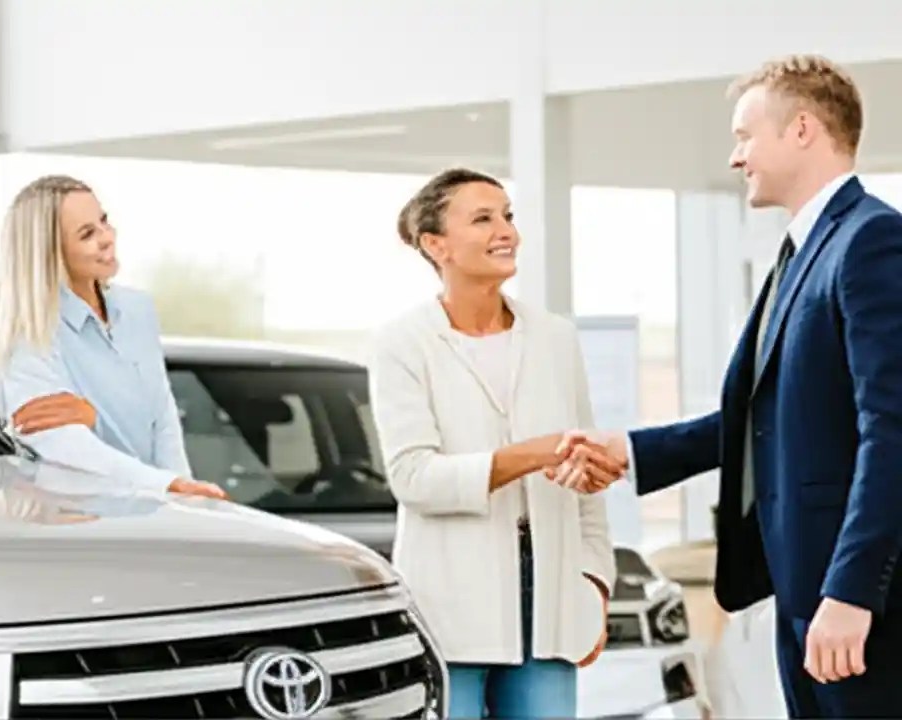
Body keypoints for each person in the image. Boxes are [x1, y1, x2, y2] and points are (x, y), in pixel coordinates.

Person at [555, 54, 902, 718]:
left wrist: (853, 592)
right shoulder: (805, 251)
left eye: (746, 135)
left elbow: (892, 431)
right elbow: (767, 415)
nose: (737, 156)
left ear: (802, 129)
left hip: (854, 605)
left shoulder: (871, 242)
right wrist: (631, 451)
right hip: (805, 595)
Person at [368, 167, 621, 719]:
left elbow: (587, 481)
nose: (506, 230)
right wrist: (535, 452)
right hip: (451, 602)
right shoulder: (402, 343)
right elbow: (413, 478)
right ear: (437, 246)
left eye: (507, 215)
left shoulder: (556, 337)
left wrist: (596, 584)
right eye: (483, 218)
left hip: (552, 601)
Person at [0, 174, 225, 500]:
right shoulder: (30, 333)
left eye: (104, 221)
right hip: (92, 524)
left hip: (159, 513)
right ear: (50, 252)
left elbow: (163, 419)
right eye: (87, 234)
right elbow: (62, 444)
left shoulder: (137, 310)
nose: (107, 237)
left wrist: (182, 490)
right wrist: (162, 484)